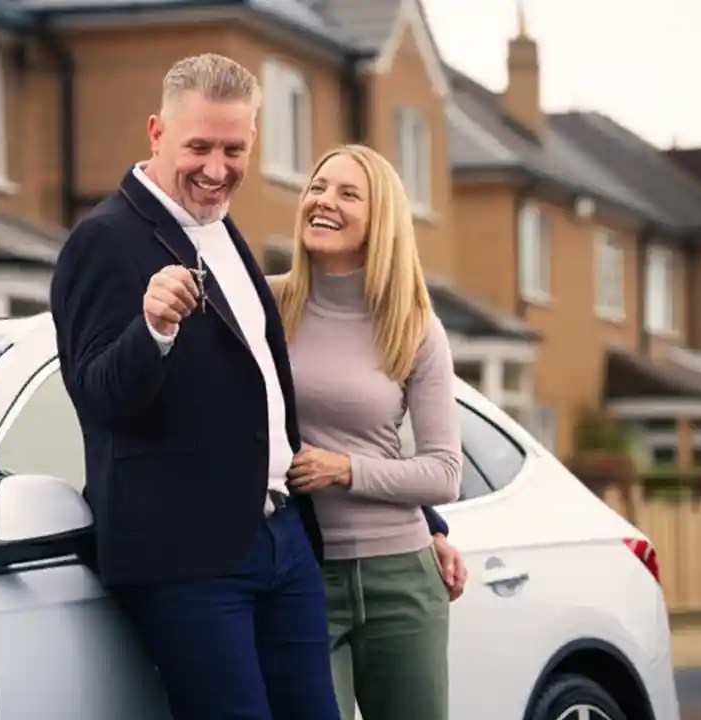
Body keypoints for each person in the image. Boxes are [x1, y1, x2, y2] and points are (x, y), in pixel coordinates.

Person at [49, 54, 462, 720]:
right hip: (189, 561)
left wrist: (427, 521)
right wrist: (151, 328)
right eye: (199, 147)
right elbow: (96, 396)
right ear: (156, 133)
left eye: (234, 149)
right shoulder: (104, 241)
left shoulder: (223, 232)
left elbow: (282, 401)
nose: (217, 168)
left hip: (287, 546)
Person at [270, 144, 463, 720]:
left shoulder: (415, 325)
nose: (323, 201)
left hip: (403, 581)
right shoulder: (267, 305)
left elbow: (444, 472)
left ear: (382, 219)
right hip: (302, 575)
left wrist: (344, 468)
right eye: (318, 186)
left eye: (348, 193)